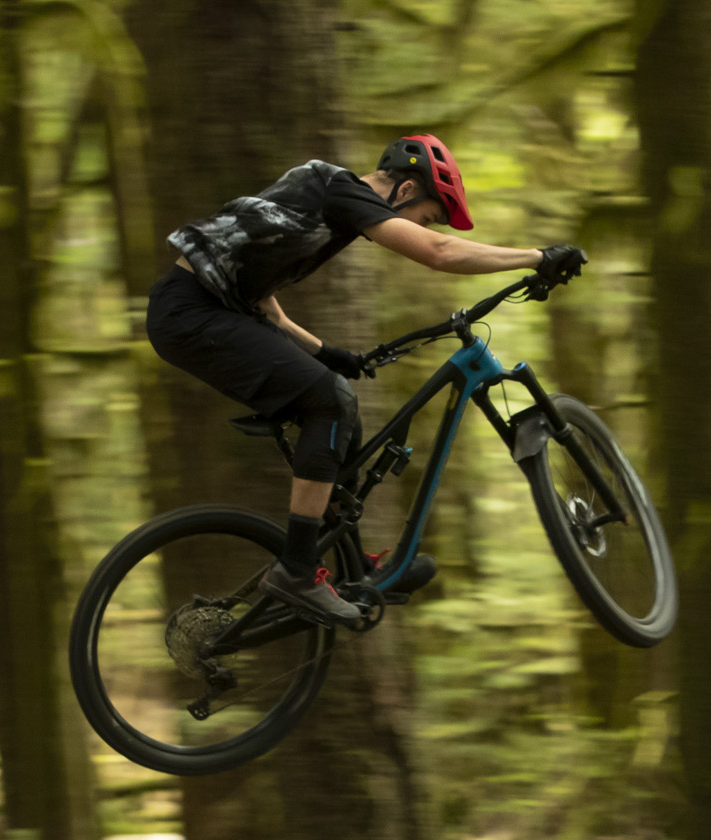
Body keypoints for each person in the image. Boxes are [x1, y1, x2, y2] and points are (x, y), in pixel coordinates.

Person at [146, 134, 585, 626]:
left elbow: (254, 283)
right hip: (188, 315)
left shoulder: (320, 205)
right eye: (428, 214)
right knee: (328, 402)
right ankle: (296, 570)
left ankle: (352, 571)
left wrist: (325, 351)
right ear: (404, 190)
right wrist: (538, 257)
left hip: (206, 310)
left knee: (342, 411)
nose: (420, 226)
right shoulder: (339, 189)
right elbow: (439, 252)